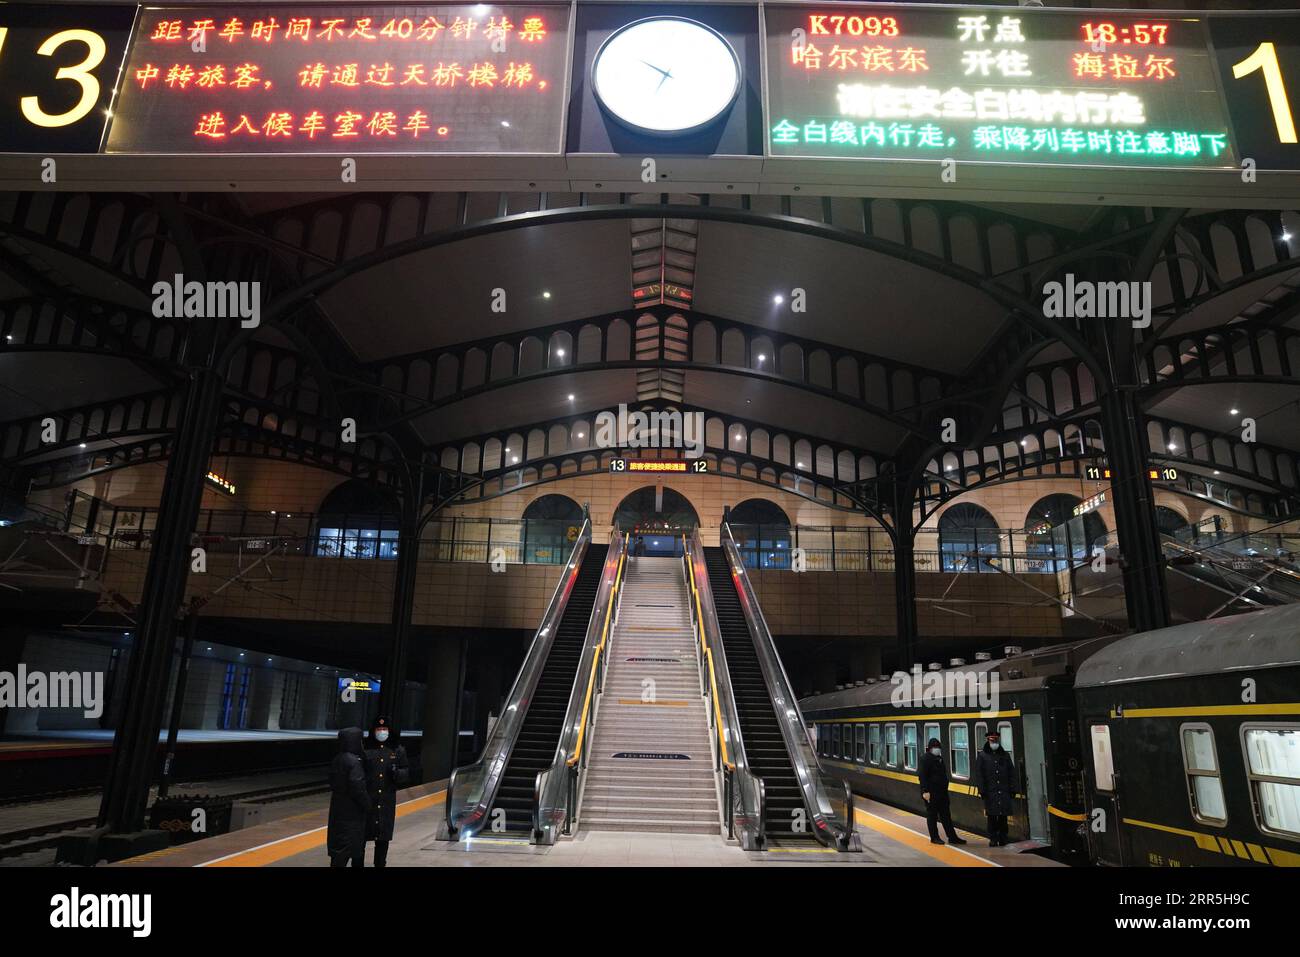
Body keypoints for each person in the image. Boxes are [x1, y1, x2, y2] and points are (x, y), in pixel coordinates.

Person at [363, 715, 410, 868]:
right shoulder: (366, 748)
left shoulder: (397, 749)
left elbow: (406, 772)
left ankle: (380, 864)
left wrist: (398, 774)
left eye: (384, 729)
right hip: (368, 800)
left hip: (386, 801)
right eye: (379, 729)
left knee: (383, 837)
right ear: (373, 731)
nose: (382, 732)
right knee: (362, 835)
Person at [327, 727, 368, 867]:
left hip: (337, 812)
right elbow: (358, 788)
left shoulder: (337, 759)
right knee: (349, 850)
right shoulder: (354, 762)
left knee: (338, 853)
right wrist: (368, 805)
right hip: (352, 816)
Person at [918, 737, 966, 846]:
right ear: (930, 749)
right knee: (932, 816)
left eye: (938, 747)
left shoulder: (939, 759)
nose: (937, 749)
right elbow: (923, 776)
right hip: (931, 793)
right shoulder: (925, 759)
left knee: (946, 816)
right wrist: (925, 791)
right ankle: (934, 837)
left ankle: (952, 837)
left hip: (942, 793)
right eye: (935, 747)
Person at [972, 729, 1016, 847]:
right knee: (992, 816)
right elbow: (979, 774)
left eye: (996, 739)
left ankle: (1003, 838)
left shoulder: (1005, 755)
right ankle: (993, 838)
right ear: (988, 740)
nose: (994, 741)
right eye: (992, 740)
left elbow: (1011, 772)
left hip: (1004, 790)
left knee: (1003, 816)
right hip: (990, 792)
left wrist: (1012, 788)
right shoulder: (982, 756)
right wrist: (982, 790)